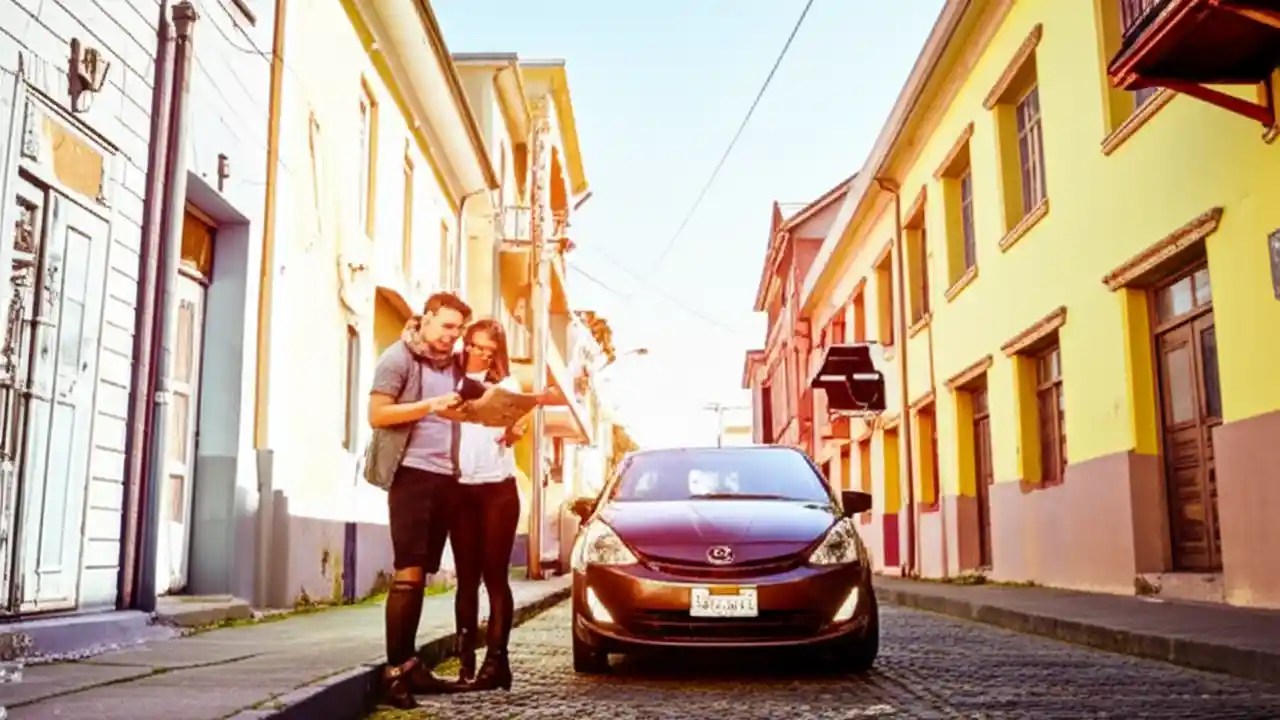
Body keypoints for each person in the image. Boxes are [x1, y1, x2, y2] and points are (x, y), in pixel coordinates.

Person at [366, 291, 480, 708]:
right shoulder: (398, 357)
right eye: (447, 326)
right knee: (408, 574)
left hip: (448, 477)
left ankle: (412, 667)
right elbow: (378, 415)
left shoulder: (455, 365)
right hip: (411, 476)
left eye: (458, 329)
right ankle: (394, 672)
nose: (453, 336)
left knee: (424, 575)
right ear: (427, 319)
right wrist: (430, 405)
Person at [450, 319, 561, 692]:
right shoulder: (447, 382)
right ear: (465, 344)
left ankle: (497, 663)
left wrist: (514, 432)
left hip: (498, 489)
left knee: (494, 576)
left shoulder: (508, 387)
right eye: (476, 345)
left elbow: (508, 433)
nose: (481, 353)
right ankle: (465, 664)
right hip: (460, 488)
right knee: (465, 579)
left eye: (489, 349)